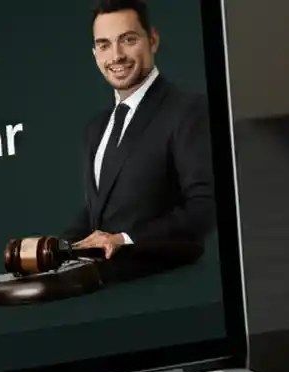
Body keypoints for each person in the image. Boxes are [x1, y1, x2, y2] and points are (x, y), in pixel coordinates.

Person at [64, 0, 216, 281]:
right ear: (95, 53)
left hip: (166, 284)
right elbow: (100, 213)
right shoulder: (96, 129)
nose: (116, 55)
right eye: (104, 45)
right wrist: (57, 248)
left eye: (128, 40)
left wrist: (123, 239)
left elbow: (204, 207)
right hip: (106, 288)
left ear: (153, 40)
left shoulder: (188, 110)